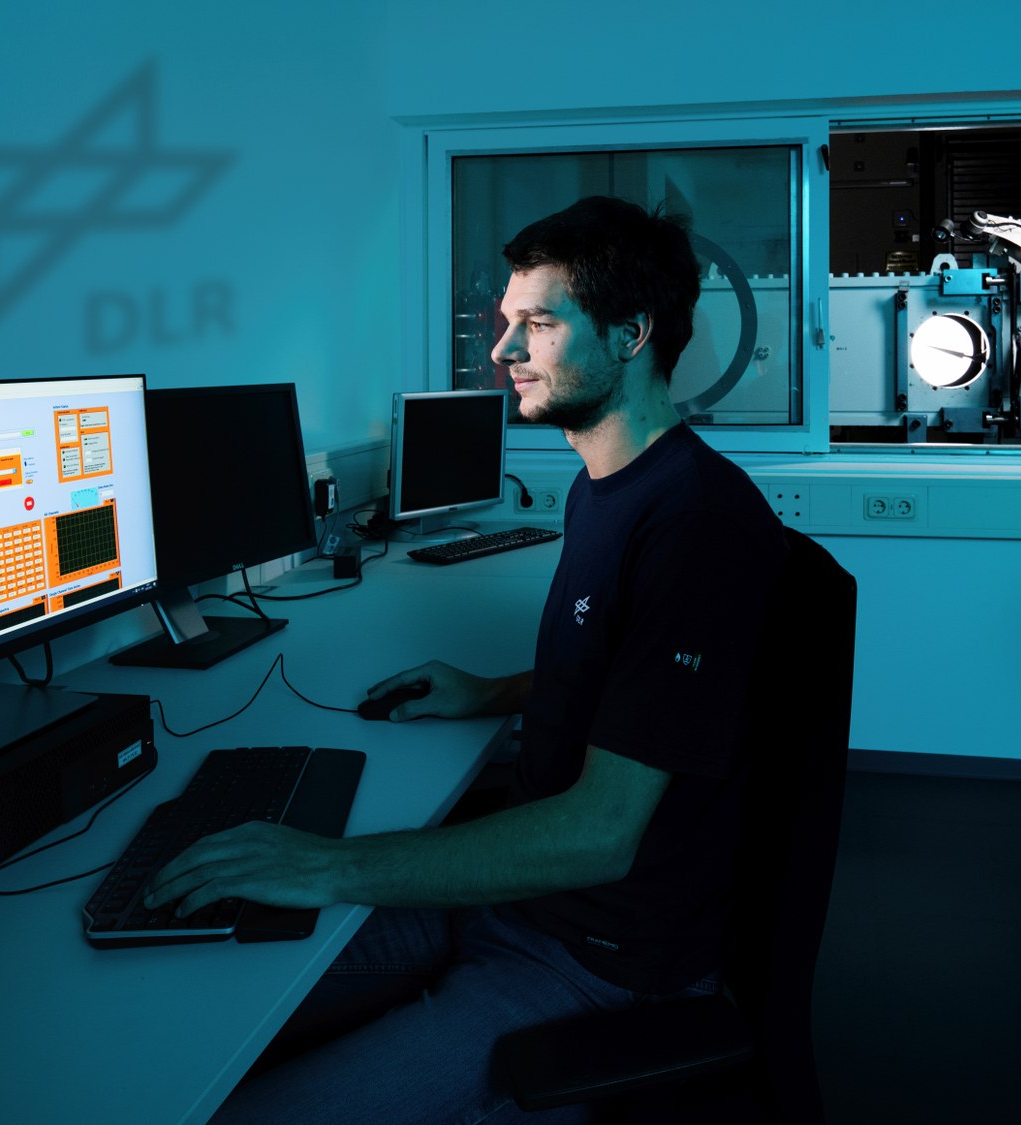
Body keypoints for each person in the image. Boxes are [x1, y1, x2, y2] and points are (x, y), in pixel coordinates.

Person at [145, 195, 788, 1123]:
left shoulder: (696, 528)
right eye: (506, 324)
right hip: (514, 906)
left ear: (631, 335)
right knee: (191, 1007)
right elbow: (639, 682)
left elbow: (601, 833)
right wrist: (493, 691)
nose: (502, 351)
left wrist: (332, 865)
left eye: (538, 324)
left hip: (594, 963)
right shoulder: (608, 485)